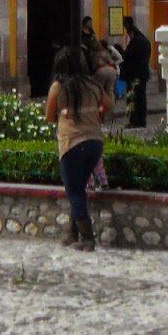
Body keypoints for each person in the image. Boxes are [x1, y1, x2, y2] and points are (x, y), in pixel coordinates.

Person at [44, 45, 106, 249]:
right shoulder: (92, 84)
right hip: (95, 142)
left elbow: (48, 115)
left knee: (74, 191)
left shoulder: (58, 87)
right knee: (78, 188)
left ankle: (88, 239)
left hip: (71, 144)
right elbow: (108, 104)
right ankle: (72, 233)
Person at [117, 15, 152, 128]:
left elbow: (127, 57)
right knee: (141, 98)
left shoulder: (136, 42)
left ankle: (134, 120)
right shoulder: (144, 40)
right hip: (143, 74)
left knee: (133, 97)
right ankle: (141, 120)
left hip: (135, 75)